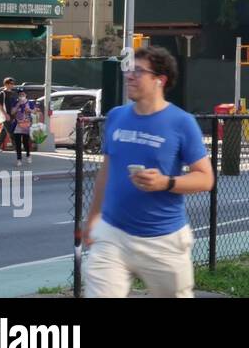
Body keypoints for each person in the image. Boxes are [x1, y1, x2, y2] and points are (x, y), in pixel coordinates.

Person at [82, 46, 214, 298]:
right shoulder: (116, 117)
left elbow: (205, 178)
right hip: (113, 234)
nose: (130, 76)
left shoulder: (181, 123)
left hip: (163, 240)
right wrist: (93, 217)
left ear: (159, 80)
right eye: (129, 69)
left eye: (139, 71)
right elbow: (106, 171)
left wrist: (166, 182)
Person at [0, 77, 20, 152]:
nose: (12, 85)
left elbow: (15, 104)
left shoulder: (13, 93)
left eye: (13, 84)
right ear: (6, 84)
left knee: (3, 132)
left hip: (12, 115)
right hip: (5, 115)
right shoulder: (2, 93)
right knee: (11, 131)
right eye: (11, 83)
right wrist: (5, 114)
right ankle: (17, 147)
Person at [9, 92, 33, 166]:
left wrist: (29, 110)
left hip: (26, 125)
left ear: (26, 95)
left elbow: (35, 111)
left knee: (26, 142)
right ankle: (19, 159)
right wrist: (18, 105)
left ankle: (28, 154)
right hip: (17, 125)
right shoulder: (16, 103)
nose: (21, 96)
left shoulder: (30, 103)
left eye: (23, 95)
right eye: (20, 95)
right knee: (18, 143)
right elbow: (12, 112)